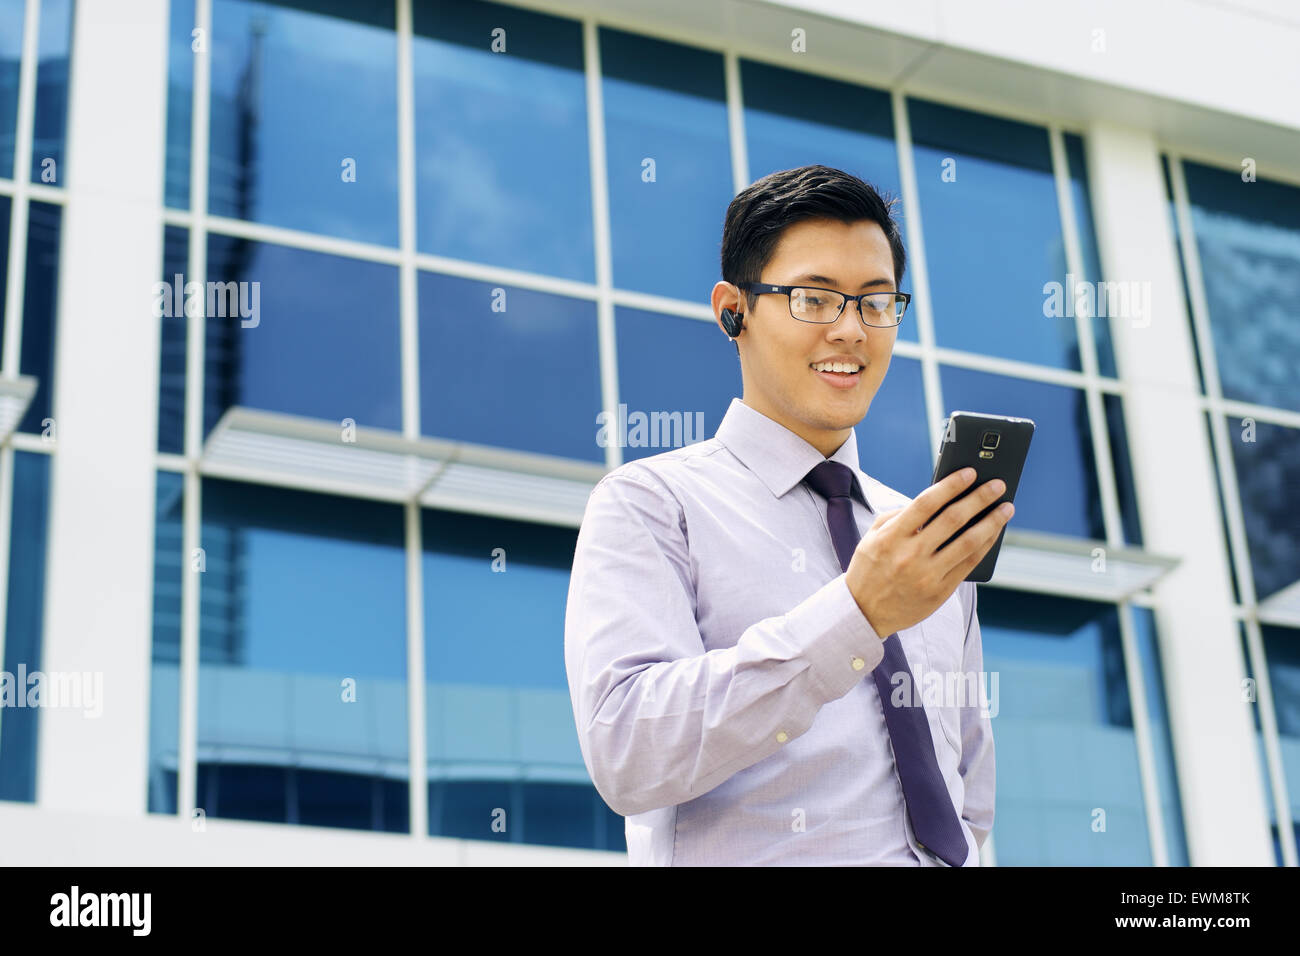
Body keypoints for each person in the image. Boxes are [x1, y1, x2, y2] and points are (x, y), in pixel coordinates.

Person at [563, 164, 1012, 865]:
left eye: (876, 302)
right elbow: (628, 751)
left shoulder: (918, 533)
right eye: (814, 299)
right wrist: (856, 614)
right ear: (732, 310)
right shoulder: (651, 503)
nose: (852, 331)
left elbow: (968, 795)